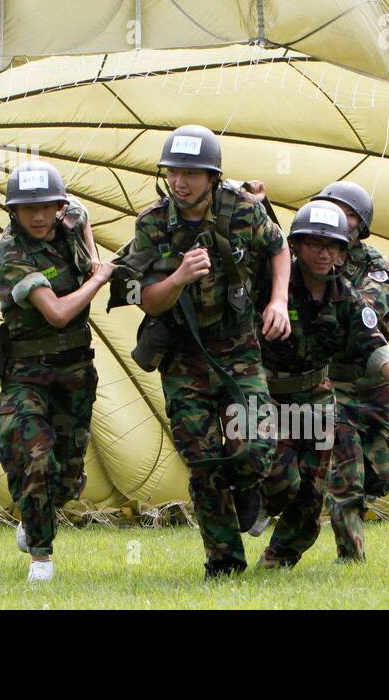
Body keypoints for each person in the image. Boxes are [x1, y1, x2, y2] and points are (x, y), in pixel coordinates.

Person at [112, 125, 292, 578]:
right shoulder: (151, 224)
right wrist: (179, 278)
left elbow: (278, 246)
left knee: (254, 446)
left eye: (192, 173)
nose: (181, 182)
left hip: (239, 350)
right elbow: (148, 300)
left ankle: (249, 487)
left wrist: (278, 301)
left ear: (212, 176)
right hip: (184, 357)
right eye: (174, 172)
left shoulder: (242, 211)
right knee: (202, 459)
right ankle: (224, 563)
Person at [255, 201, 389, 568]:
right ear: (297, 246)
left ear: (343, 252)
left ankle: (278, 559)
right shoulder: (271, 285)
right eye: (314, 244)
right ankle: (257, 504)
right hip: (268, 399)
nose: (324, 254)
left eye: (332, 247)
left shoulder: (346, 297)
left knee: (312, 492)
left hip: (316, 399)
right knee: (280, 477)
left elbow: (373, 342)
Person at [0, 161, 115, 582]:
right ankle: (41, 559)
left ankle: (35, 512)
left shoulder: (71, 216)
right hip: (28, 372)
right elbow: (59, 313)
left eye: (46, 206)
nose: (39, 216)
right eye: (28, 209)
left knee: (64, 480)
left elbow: (84, 217)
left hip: (76, 372)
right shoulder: (11, 252)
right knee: (36, 454)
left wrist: (92, 257)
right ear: (13, 213)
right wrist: (98, 279)